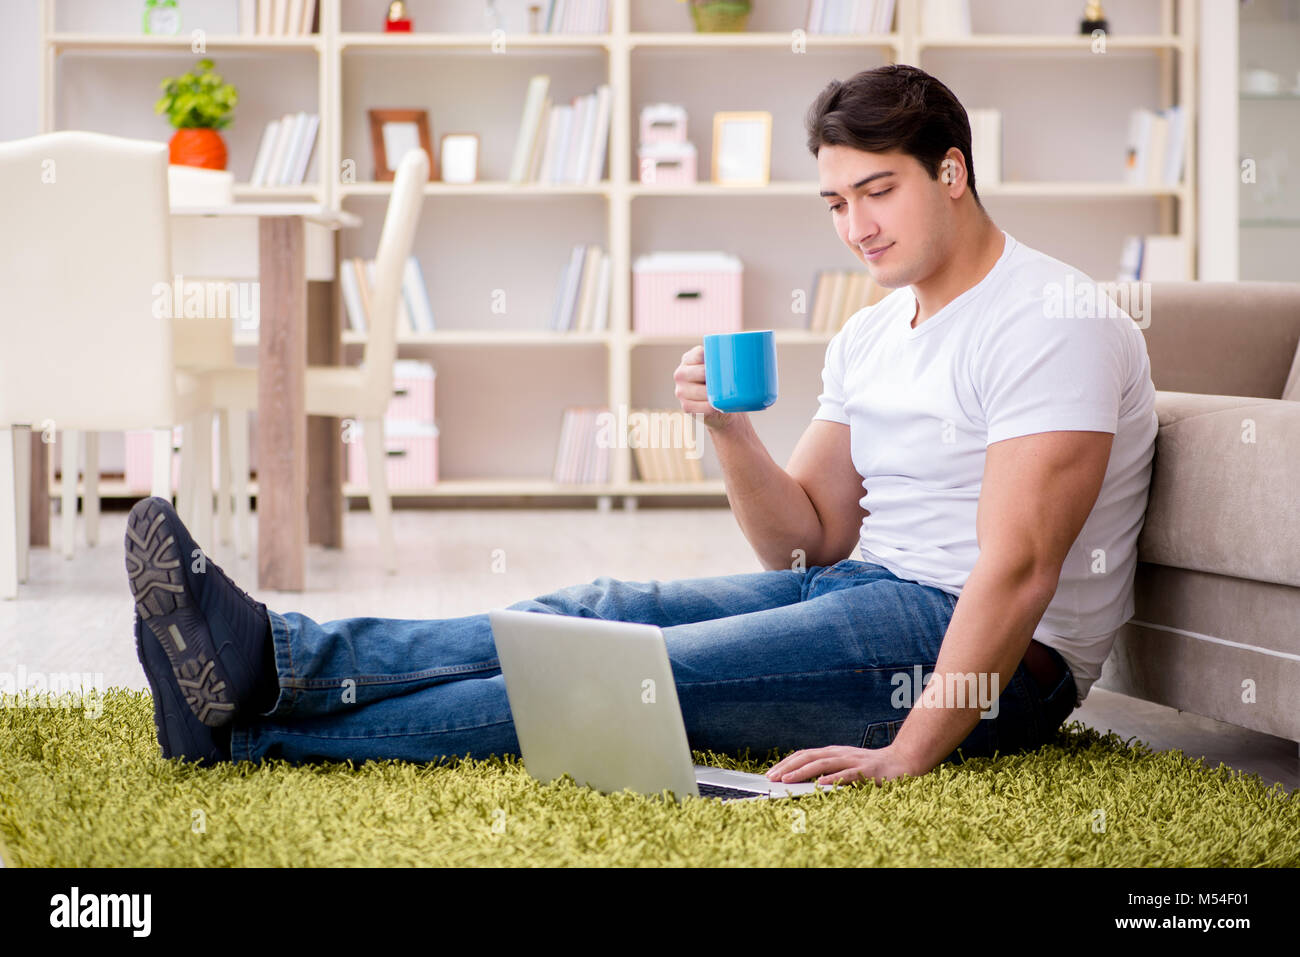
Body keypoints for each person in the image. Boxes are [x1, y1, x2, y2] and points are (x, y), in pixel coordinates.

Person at [126, 63, 1157, 788]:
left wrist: (912, 748)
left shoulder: (1049, 321)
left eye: (877, 192)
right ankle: (281, 662)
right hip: (869, 591)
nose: (856, 227)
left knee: (637, 675)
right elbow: (805, 541)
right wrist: (726, 431)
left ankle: (252, 735)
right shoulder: (878, 329)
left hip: (989, 660)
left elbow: (1017, 570)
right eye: (834, 202)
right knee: (605, 604)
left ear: (952, 172)